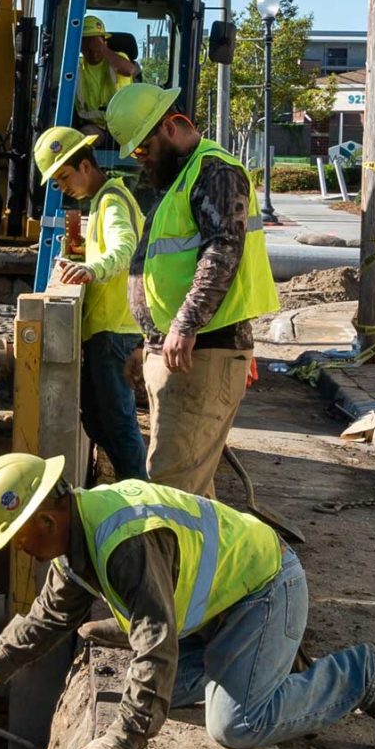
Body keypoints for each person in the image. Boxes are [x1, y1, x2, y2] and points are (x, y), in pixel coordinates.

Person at [0, 451, 375, 749]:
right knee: (159, 686)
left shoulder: (122, 541)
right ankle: (264, 668)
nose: (24, 550)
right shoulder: (75, 537)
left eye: (20, 537)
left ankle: (363, 675)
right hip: (216, 616)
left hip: (264, 590)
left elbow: (156, 640)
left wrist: (124, 739)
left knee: (236, 725)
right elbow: (50, 616)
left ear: (45, 519)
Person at [105, 83, 279, 496]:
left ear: (172, 126)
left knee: (171, 489)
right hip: (182, 351)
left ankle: (181, 562)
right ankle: (204, 560)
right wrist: (147, 341)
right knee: (189, 489)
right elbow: (163, 265)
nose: (141, 161)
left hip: (204, 351)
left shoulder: (215, 171)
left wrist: (184, 324)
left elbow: (223, 250)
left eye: (144, 149)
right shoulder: (183, 178)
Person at [34, 123, 146, 480]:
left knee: (117, 424)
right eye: (55, 182)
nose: (62, 187)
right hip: (108, 329)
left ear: (86, 165)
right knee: (99, 420)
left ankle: (140, 495)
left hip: (116, 331)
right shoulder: (102, 201)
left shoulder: (112, 201)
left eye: (64, 176)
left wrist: (91, 269)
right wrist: (83, 261)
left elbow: (124, 247)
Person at [73, 14, 136, 130]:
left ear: (105, 43)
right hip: (94, 125)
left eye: (96, 44)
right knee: (83, 138)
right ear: (80, 46)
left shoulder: (117, 59)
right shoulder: (75, 68)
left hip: (124, 123)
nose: (92, 50)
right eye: (86, 44)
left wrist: (102, 49)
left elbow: (130, 70)